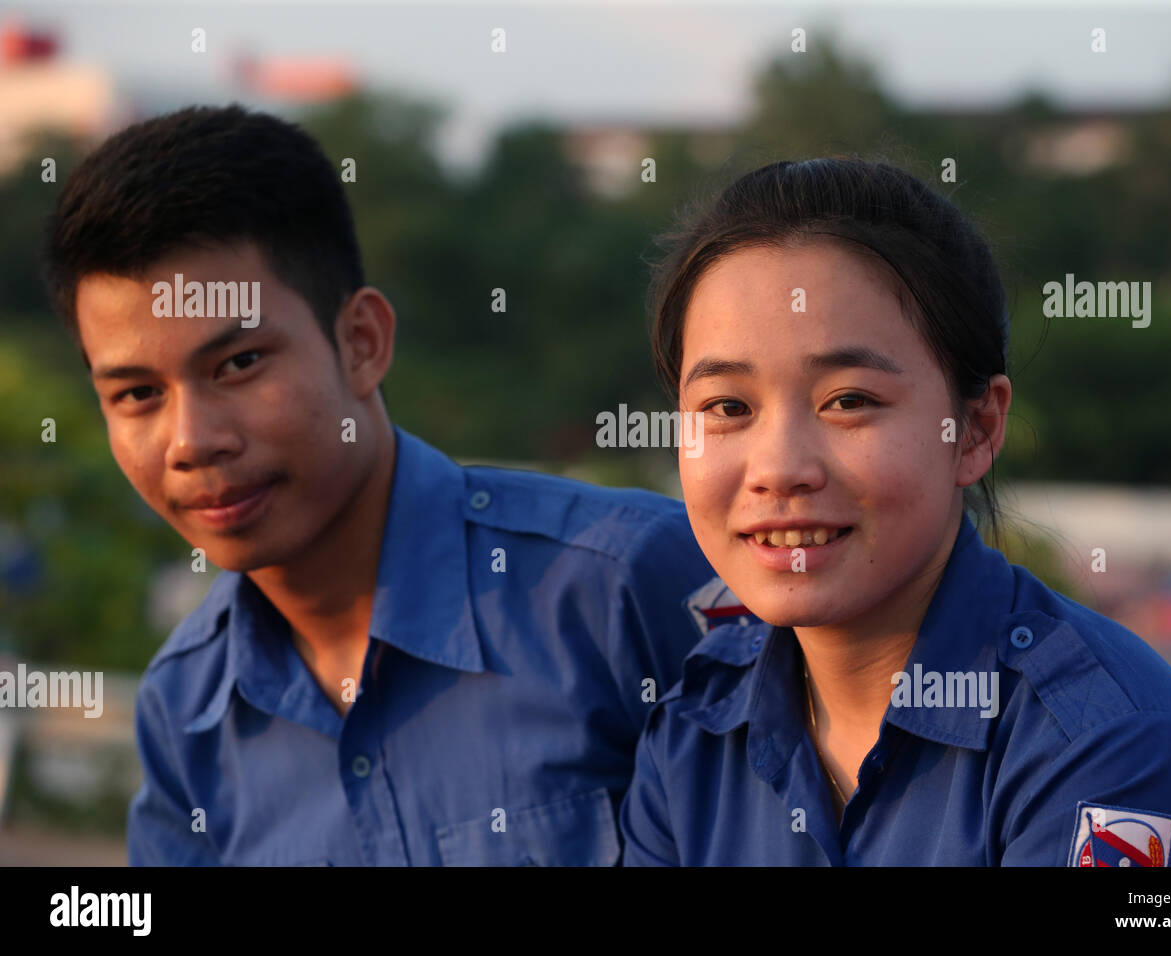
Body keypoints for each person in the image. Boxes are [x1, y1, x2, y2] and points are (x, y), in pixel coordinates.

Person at [40, 104, 720, 865]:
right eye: (137, 394)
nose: (193, 441)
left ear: (361, 343)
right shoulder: (187, 713)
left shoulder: (623, 587)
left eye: (238, 364)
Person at [618, 157, 1171, 866]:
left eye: (850, 401)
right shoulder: (695, 734)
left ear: (978, 428)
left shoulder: (1114, 750)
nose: (779, 470)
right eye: (728, 408)